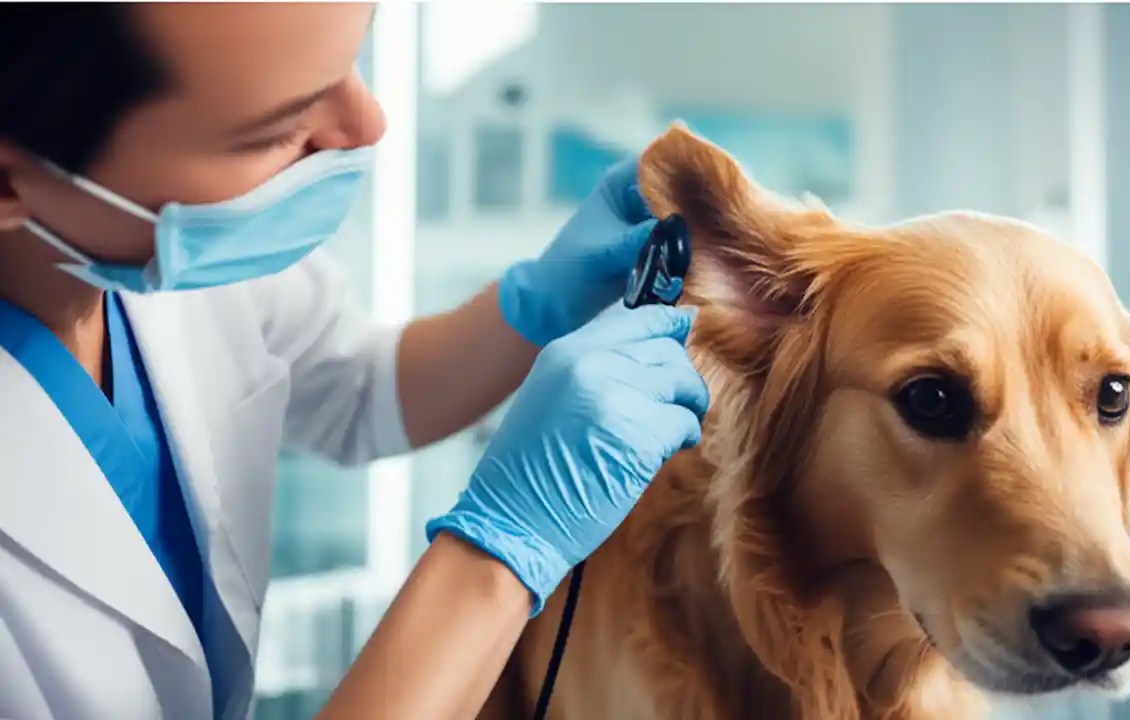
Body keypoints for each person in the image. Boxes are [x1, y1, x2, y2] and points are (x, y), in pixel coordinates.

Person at [0, 4, 708, 720]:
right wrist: (502, 550)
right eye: (277, 129)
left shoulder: (167, 251)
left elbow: (357, 386)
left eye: (351, 60)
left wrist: (534, 307)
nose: (369, 124)